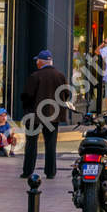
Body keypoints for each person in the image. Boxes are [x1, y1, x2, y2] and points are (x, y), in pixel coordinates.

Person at [21, 50, 70, 180]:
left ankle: (27, 171)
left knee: (31, 143)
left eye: (37, 60)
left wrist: (25, 106)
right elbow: (66, 94)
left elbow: (27, 95)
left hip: (35, 115)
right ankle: (50, 171)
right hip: (53, 116)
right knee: (51, 144)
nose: (36, 62)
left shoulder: (35, 76)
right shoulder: (60, 76)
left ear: (41, 62)